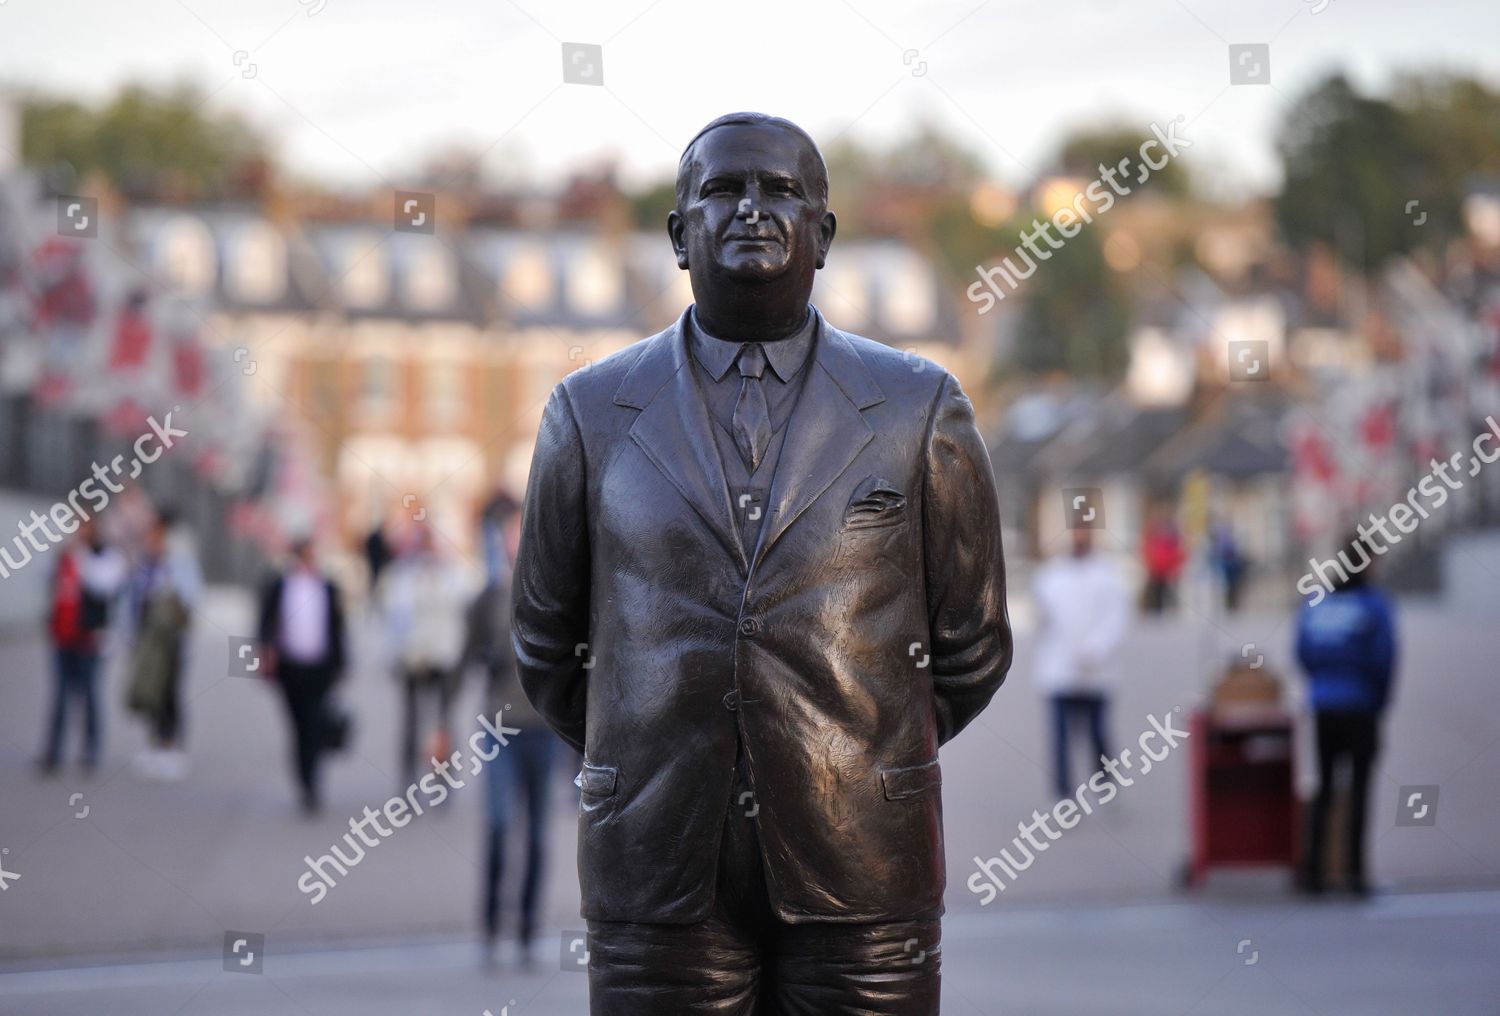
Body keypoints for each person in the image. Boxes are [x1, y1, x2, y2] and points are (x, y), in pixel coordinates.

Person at [512, 112, 1012, 1014]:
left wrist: (858, 748)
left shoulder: (917, 408)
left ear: (823, 234)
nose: (752, 209)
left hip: (865, 864)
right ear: (677, 236)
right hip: (656, 871)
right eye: (722, 190)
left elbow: (973, 645)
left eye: (781, 190)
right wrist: (660, 744)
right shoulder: (588, 415)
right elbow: (546, 643)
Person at [463, 502, 557, 968]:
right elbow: (463, 659)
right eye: (509, 532)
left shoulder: (555, 597)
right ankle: (489, 926)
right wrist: (439, 725)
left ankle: (526, 929)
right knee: (500, 825)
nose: (514, 540)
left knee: (539, 835)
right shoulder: (487, 597)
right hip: (499, 730)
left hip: (544, 731)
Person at [1296, 533, 1397, 897]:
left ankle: (1314, 875)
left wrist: (1321, 686)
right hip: (1361, 706)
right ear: (1368, 561)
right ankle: (1355, 875)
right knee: (1360, 790)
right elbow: (1384, 658)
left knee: (1323, 788)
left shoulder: (1317, 601)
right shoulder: (1374, 605)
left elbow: (1303, 652)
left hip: (1324, 706)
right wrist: (1379, 702)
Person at [1032, 527, 1130, 798]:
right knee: (1060, 737)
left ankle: (1105, 782)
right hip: (1059, 670)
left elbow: (1117, 619)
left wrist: (1096, 649)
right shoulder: (1051, 575)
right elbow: (1043, 615)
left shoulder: (1107, 575)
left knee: (1097, 734)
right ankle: (1063, 792)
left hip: (1095, 671)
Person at [257, 537, 348, 815]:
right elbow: (264, 624)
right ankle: (303, 780)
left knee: (314, 724)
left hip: (319, 668)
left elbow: (338, 628)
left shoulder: (327, 587)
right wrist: (262, 659)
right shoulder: (280, 585)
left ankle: (312, 784)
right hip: (290, 668)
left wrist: (342, 664)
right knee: (297, 726)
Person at [379, 525, 471, 784]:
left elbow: (462, 615)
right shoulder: (404, 576)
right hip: (413, 658)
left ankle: (443, 777)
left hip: (444, 659)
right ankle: (408, 778)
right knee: (411, 724)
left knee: (443, 722)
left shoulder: (454, 576)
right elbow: (394, 616)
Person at [38, 517, 126, 775]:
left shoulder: (104, 556)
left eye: (83, 525)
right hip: (63, 636)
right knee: (60, 696)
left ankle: (90, 752)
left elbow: (103, 586)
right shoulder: (63, 556)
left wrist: (82, 555)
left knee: (89, 696)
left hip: (89, 639)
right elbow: (43, 576)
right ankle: (53, 752)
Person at [124, 510, 202, 781]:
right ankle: (155, 744)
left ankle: (172, 746)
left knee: (170, 693)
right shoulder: (143, 565)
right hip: (147, 642)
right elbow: (131, 601)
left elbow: (190, 599)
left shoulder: (177, 563)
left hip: (170, 643)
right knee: (150, 693)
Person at [1141, 507, 1185, 613]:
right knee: (1157, 591)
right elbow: (1146, 547)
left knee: (1167, 590)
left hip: (1167, 568)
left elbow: (1178, 549)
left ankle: (1166, 609)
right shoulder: (1153, 531)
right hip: (1156, 567)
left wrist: (1176, 564)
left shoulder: (1172, 532)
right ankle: (1155, 609)